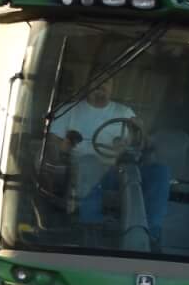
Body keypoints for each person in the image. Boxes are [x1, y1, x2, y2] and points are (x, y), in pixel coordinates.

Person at [48, 74, 172, 245]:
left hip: (116, 172)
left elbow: (143, 144)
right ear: (87, 86)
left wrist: (139, 132)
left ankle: (151, 233)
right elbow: (52, 145)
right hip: (79, 172)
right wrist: (66, 145)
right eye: (97, 82)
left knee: (160, 171)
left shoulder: (125, 112)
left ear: (113, 87)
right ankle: (91, 229)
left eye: (106, 83)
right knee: (89, 162)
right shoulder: (68, 111)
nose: (101, 86)